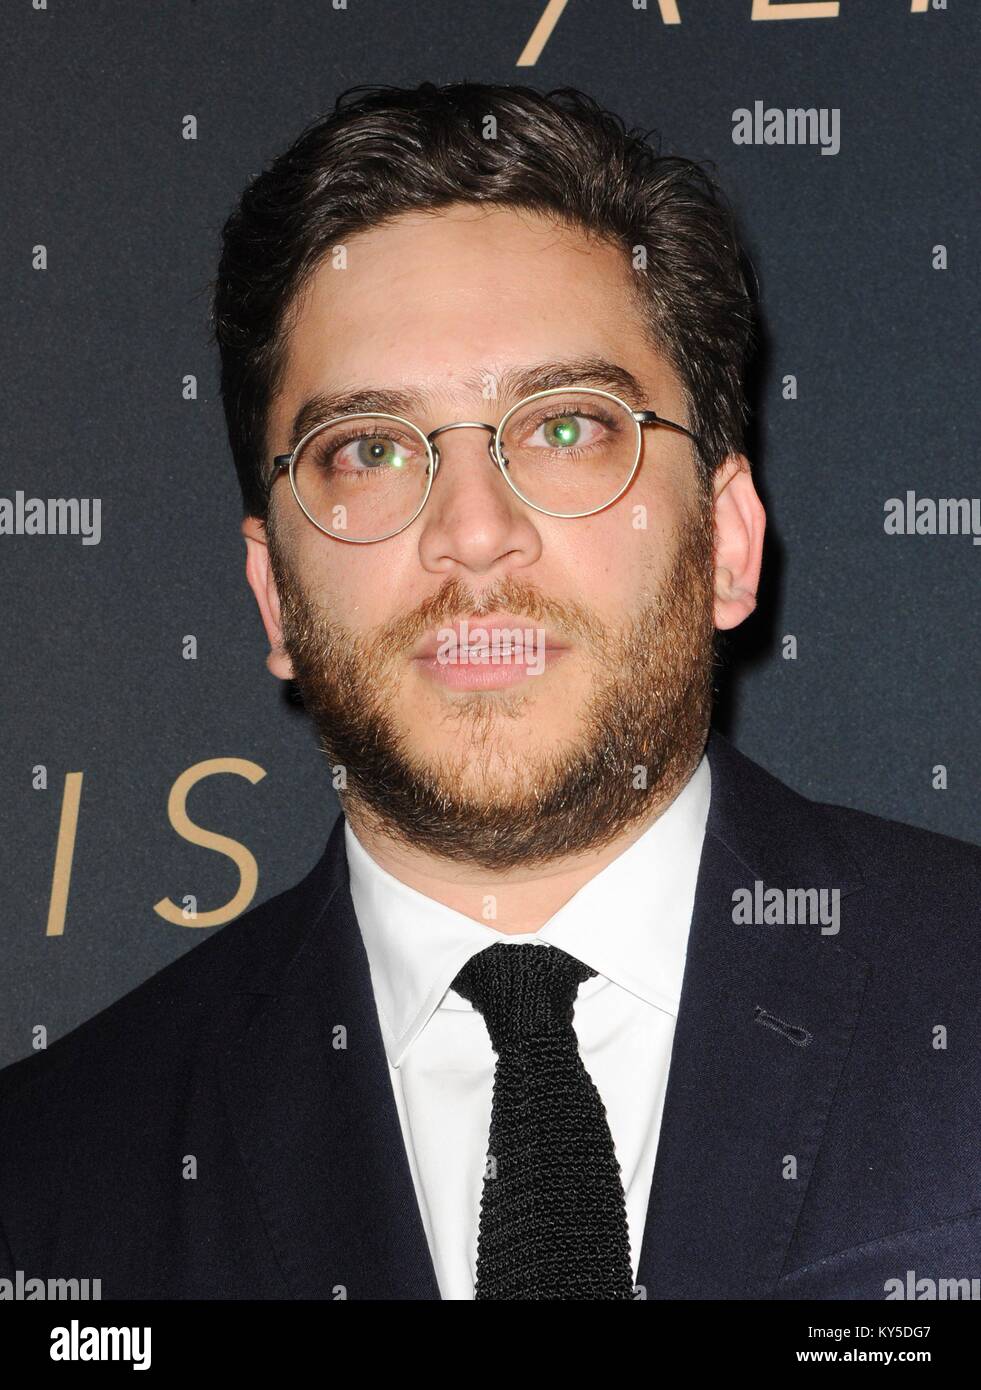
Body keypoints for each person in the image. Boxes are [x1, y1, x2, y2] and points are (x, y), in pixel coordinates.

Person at [1, 81, 978, 1302]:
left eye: (567, 428)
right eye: (369, 449)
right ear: (272, 596)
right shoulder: (48, 1191)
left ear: (727, 540)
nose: (473, 531)